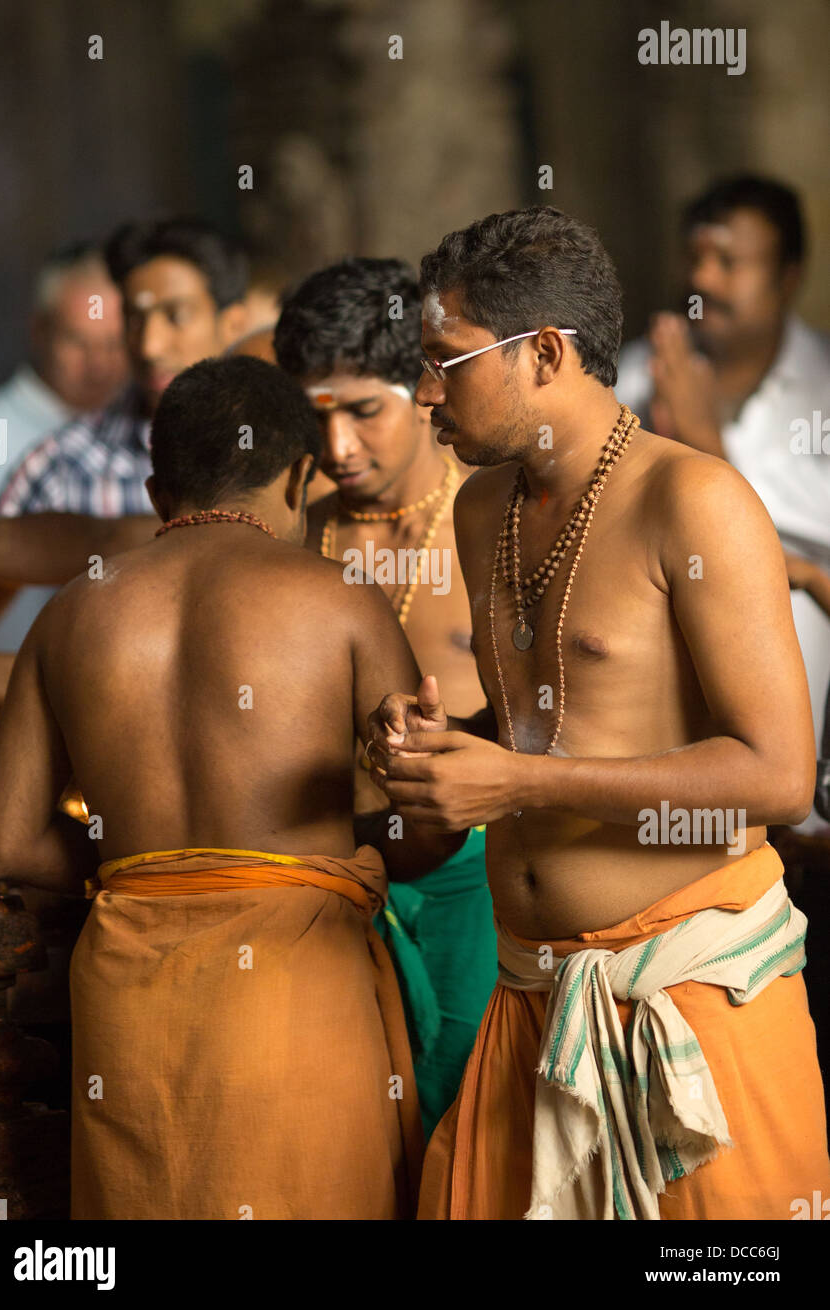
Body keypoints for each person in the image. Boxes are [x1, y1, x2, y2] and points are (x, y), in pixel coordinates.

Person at [367, 206, 830, 1220]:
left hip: (689, 1000)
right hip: (529, 994)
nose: (425, 393)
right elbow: (560, 718)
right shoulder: (481, 507)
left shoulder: (695, 502)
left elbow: (774, 776)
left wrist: (517, 782)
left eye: (446, 362)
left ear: (541, 353)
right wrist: (455, 750)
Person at [0, 355, 466, 1220]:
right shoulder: (343, 599)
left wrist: (142, 854)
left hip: (132, 996)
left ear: (162, 491)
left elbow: (6, 842)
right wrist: (350, 836)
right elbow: (427, 831)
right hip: (293, 985)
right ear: (300, 475)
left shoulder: (74, 613)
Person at [274, 257, 498, 1136]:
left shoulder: (490, 518)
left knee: (473, 1137)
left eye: (365, 411)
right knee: (350, 1142)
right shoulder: (294, 533)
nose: (337, 451)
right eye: (316, 418)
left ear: (425, 386)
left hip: (474, 888)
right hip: (324, 886)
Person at [0, 218, 253, 709]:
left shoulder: (280, 450)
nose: (148, 346)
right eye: (136, 319)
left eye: (175, 316)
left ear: (233, 323)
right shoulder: (62, 462)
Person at [617, 176, 830, 828]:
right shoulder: (629, 379)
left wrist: (704, 442)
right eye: (696, 258)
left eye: (730, 262)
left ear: (788, 275)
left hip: (804, 785)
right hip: (668, 773)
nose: (703, 278)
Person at [0, 243, 128, 658]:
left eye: (113, 343)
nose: (98, 365)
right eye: (78, 341)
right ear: (38, 329)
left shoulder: (149, 432)